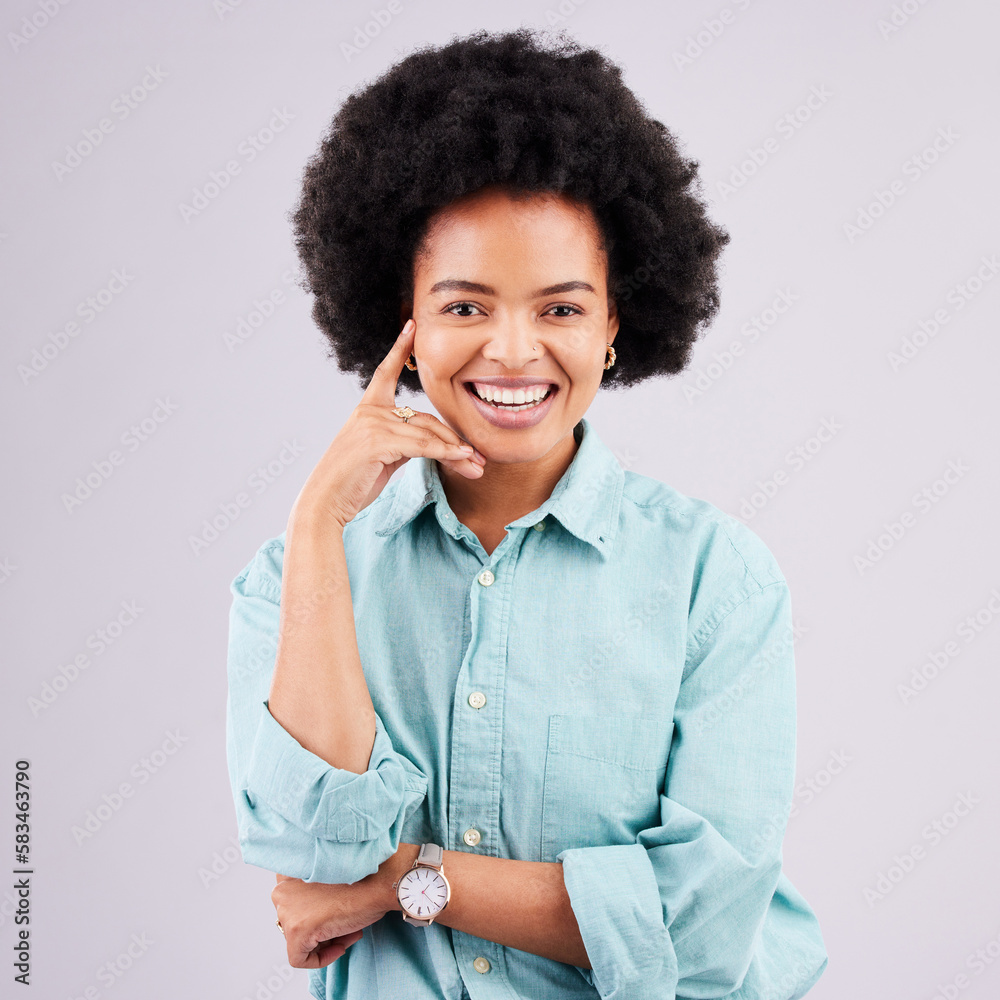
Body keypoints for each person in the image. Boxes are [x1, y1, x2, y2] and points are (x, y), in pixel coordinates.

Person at [225, 26, 829, 1000]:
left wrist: (402, 880)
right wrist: (316, 532)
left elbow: (705, 928)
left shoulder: (714, 580)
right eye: (465, 307)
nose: (512, 351)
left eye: (559, 308)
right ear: (403, 323)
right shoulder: (292, 577)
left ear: (614, 323)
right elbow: (311, 860)